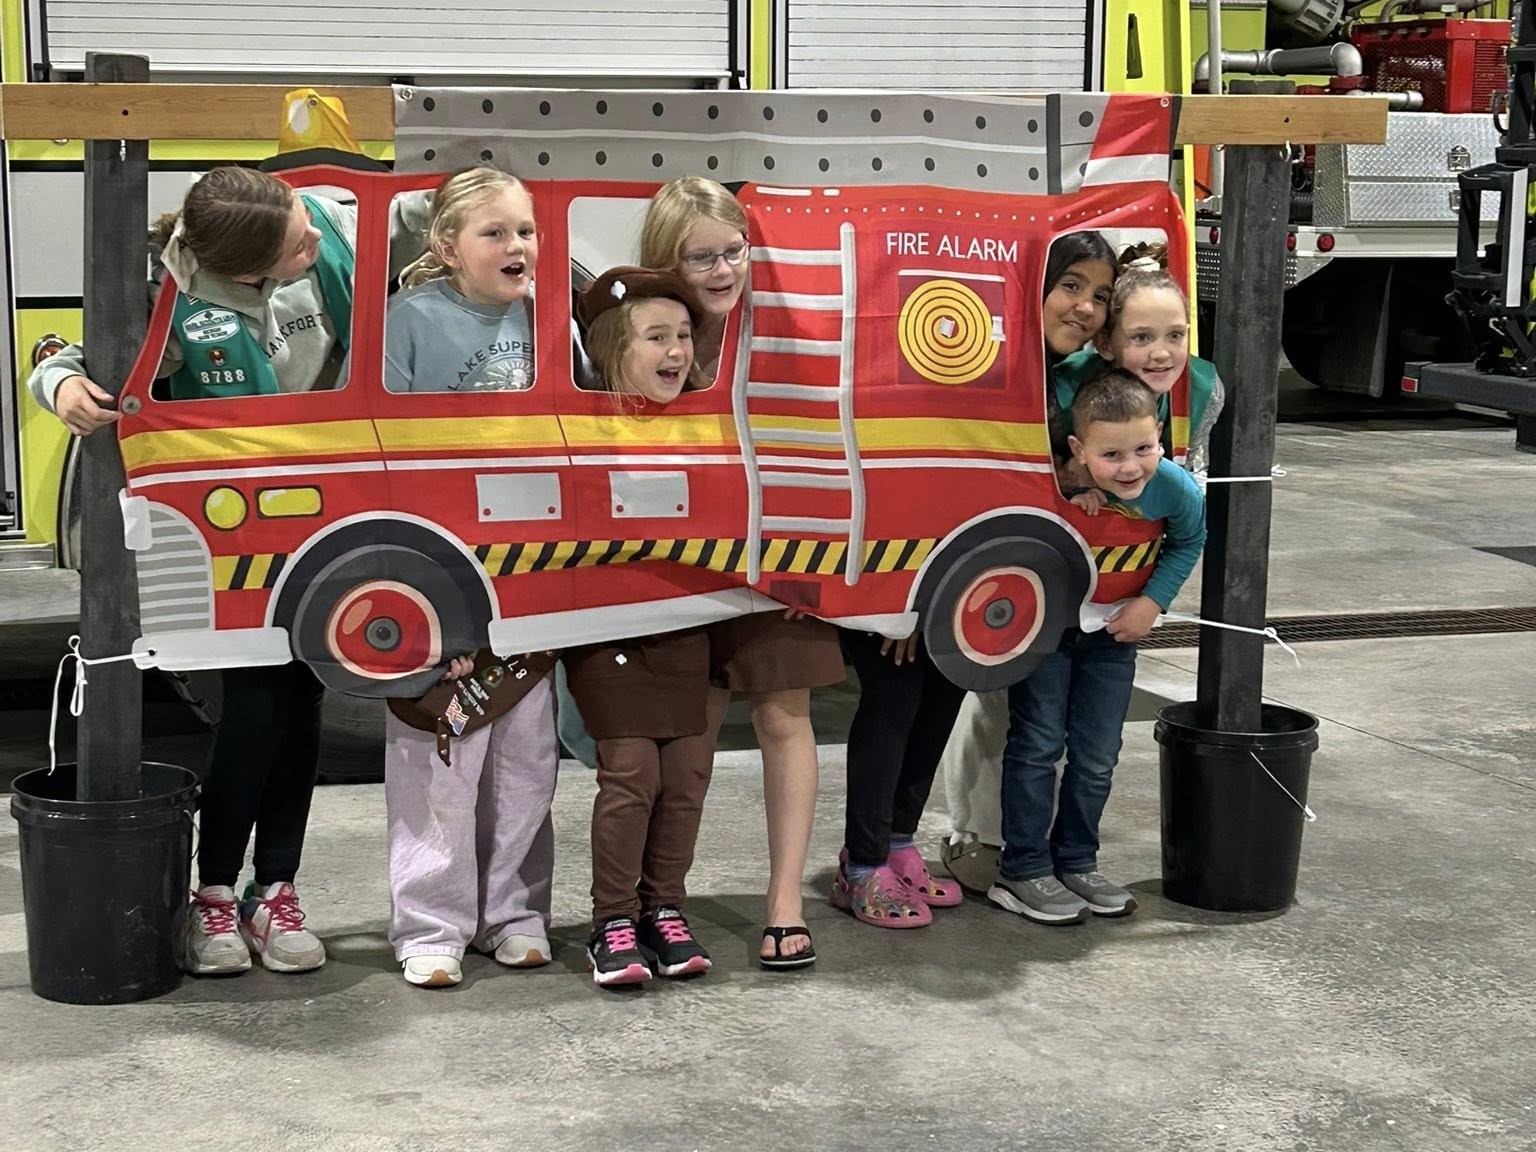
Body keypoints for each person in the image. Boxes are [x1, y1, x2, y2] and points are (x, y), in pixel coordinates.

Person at [26, 166, 429, 975]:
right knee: (254, 707)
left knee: (306, 700)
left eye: (304, 222)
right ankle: (213, 897)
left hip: (334, 513)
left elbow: (433, 209)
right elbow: (69, 354)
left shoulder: (325, 222)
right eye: (295, 242)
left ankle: (275, 889)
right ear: (249, 269)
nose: (314, 236)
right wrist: (60, 381)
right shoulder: (175, 302)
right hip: (238, 536)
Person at [640, 176, 846, 970]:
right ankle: (662, 902)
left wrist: (807, 556)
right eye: (702, 257)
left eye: (735, 251)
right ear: (667, 261)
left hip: (773, 559)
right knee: (681, 738)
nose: (724, 270)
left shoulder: (788, 328)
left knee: (784, 716)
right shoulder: (648, 330)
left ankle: (785, 902)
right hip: (679, 564)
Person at [379, 167, 559, 988]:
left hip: (532, 571)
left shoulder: (554, 316)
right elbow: (384, 468)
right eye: (495, 233)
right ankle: (430, 926)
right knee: (437, 759)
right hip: (441, 576)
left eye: (525, 230)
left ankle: (515, 914)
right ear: (447, 247)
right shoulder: (407, 323)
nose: (517, 246)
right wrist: (434, 613)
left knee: (525, 761)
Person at [989, 368, 1206, 923]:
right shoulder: (1050, 483)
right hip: (1045, 634)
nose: (1130, 467)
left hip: (1112, 637)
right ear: (1078, 450)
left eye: (1143, 448)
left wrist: (1152, 603)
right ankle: (1023, 869)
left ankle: (1078, 860)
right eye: (1111, 456)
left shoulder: (1174, 488)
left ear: (1160, 434)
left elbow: (1190, 539)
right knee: (1037, 745)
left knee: (1098, 755)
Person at [938, 231, 1119, 892]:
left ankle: (1018, 842)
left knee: (1029, 711)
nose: (1085, 308)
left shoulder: (1070, 378)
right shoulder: (996, 366)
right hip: (981, 569)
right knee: (991, 701)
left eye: (1099, 296)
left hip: (1042, 571)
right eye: (1071, 287)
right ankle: (970, 834)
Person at [562, 266, 718, 987]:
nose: (676, 351)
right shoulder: (583, 427)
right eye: (656, 337)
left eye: (683, 336)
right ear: (610, 351)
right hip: (612, 632)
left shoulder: (709, 424)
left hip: (692, 631)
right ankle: (613, 921)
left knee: (686, 777)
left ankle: (666, 909)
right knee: (631, 776)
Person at [833, 631, 965, 929]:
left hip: (947, 593)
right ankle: (863, 863)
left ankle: (898, 843)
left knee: (946, 686)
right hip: (885, 590)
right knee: (894, 687)